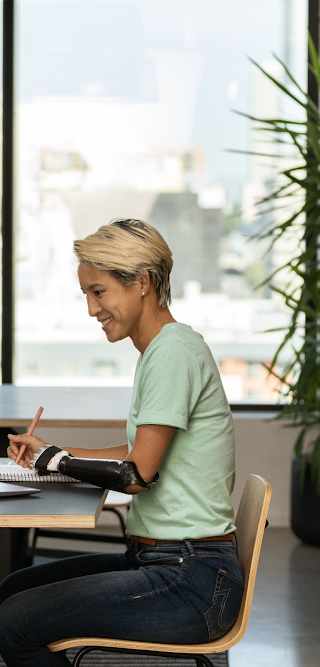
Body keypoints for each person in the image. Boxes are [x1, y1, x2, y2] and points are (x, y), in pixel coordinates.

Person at [0, 219, 244, 667]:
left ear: (143, 283)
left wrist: (57, 460)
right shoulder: (164, 349)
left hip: (191, 581)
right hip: (169, 563)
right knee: (10, 590)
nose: (92, 309)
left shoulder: (172, 353)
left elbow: (135, 477)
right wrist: (50, 453)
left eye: (99, 292)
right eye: (88, 295)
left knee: (12, 621)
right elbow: (134, 455)